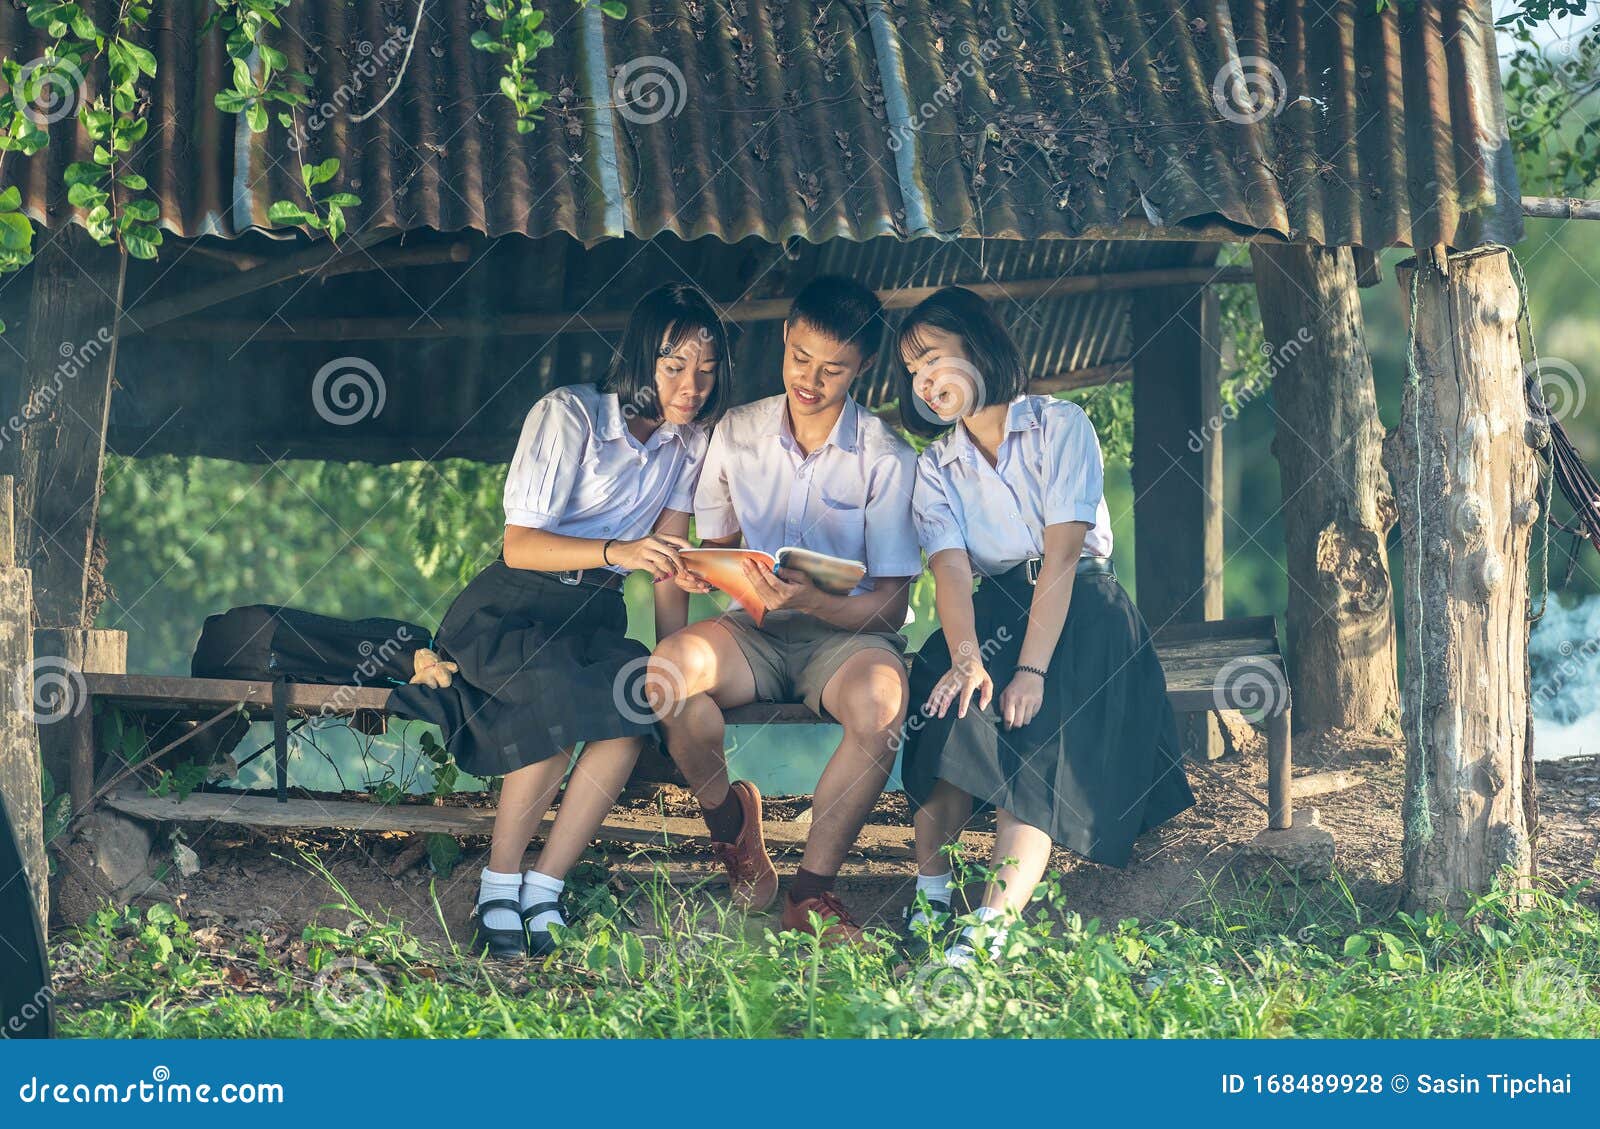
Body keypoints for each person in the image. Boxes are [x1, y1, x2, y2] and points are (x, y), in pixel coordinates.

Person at [389, 283, 731, 960]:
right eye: (673, 367)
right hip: (510, 606)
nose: (691, 385)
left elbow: (663, 561)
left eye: (706, 369)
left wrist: (672, 660)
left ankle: (545, 887)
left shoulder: (689, 443)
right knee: (558, 706)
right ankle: (498, 883)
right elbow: (520, 545)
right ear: (640, 360)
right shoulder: (570, 413)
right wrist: (616, 550)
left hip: (594, 615)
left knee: (633, 707)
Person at [893, 286, 1194, 965]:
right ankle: (929, 902)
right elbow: (948, 574)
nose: (925, 380)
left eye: (935, 358)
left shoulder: (1062, 426)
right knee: (951, 703)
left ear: (978, 349)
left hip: (1082, 606)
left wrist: (1028, 669)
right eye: (913, 370)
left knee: (1036, 738)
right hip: (990, 611)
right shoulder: (935, 467)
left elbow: (1062, 555)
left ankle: (987, 935)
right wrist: (969, 658)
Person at [648, 275, 921, 943]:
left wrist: (817, 600)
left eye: (832, 369)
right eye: (799, 358)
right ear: (784, 337)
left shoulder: (886, 457)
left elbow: (889, 607)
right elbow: (712, 552)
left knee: (881, 709)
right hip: (754, 628)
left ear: (863, 368)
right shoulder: (736, 433)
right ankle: (732, 828)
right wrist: (728, 575)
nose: (810, 379)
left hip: (847, 640)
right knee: (666, 676)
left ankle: (810, 892)